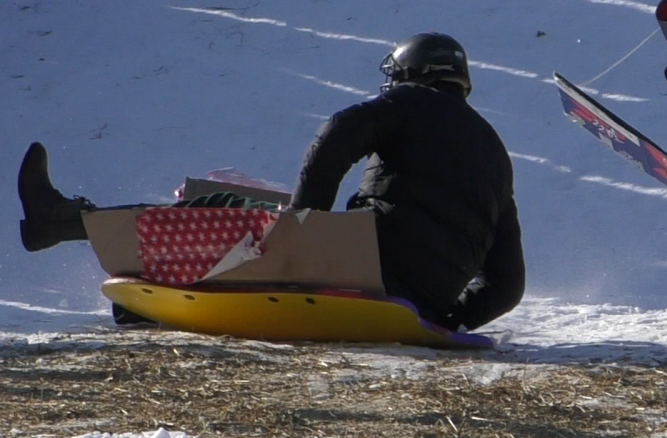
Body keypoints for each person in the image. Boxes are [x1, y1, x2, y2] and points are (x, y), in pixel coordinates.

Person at [17, 32, 525, 332]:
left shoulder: (410, 104)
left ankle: (58, 220)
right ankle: (78, 235)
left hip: (366, 264)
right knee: (257, 217)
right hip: (423, 299)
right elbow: (507, 286)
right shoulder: (498, 155)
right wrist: (444, 318)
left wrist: (307, 221)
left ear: (413, 75)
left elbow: (337, 134)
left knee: (217, 205)